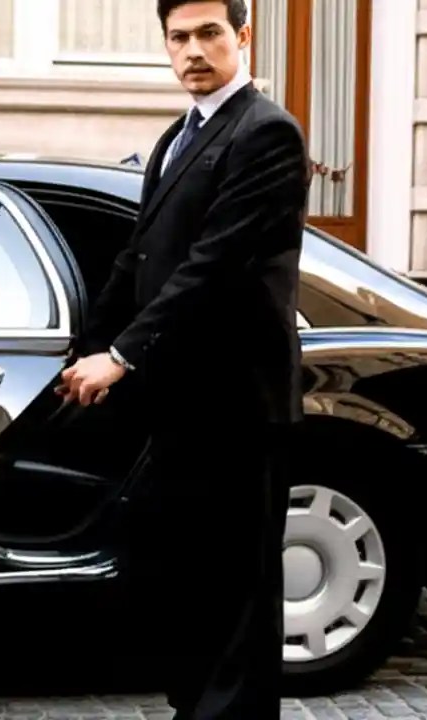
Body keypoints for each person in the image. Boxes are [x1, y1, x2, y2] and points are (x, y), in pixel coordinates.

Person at [54, 0, 309, 716]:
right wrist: (89, 347)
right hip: (182, 404)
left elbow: (212, 265)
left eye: (208, 34)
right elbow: (139, 257)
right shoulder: (178, 135)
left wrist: (124, 356)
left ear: (242, 37)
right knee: (184, 579)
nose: (192, 50)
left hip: (239, 402)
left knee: (238, 592)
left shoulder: (267, 133)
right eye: (178, 37)